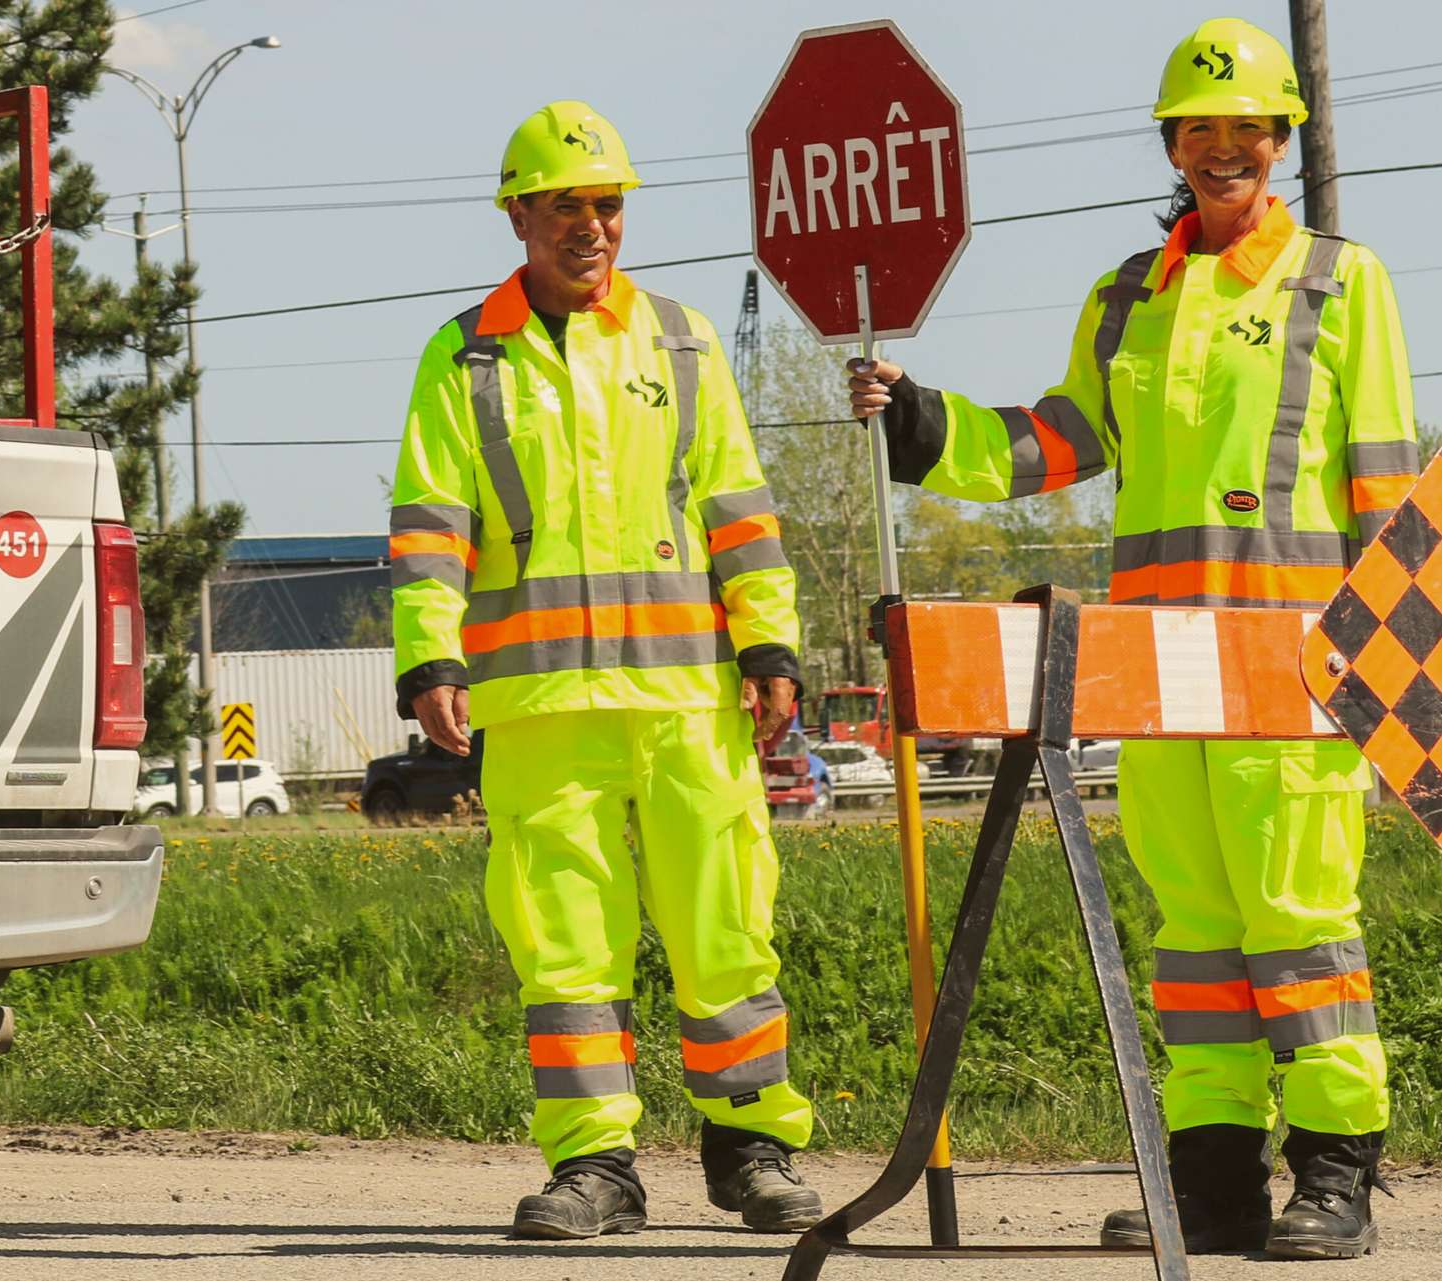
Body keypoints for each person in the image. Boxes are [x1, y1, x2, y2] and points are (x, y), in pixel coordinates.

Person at [847, 19, 1414, 1261]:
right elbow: (1061, 439)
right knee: (1197, 942)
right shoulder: (1125, 300)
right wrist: (928, 427)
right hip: (1156, 677)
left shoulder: (1339, 279)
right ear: (1172, 143)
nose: (1226, 150)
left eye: (1250, 130)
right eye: (1202, 130)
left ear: (1283, 143)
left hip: (1294, 676)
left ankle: (1336, 1176)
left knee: (1300, 929)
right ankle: (1211, 1183)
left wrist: (1407, 680)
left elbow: (1387, 485)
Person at [390, 100, 822, 1240]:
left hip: (688, 698)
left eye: (608, 205)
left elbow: (739, 507)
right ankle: (596, 1168)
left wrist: (771, 638)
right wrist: (425, 653)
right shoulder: (464, 357)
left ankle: (754, 1146)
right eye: (569, 205)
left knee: (727, 928)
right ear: (520, 214)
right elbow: (431, 525)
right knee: (565, 946)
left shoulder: (680, 341)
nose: (592, 225)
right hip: (538, 707)